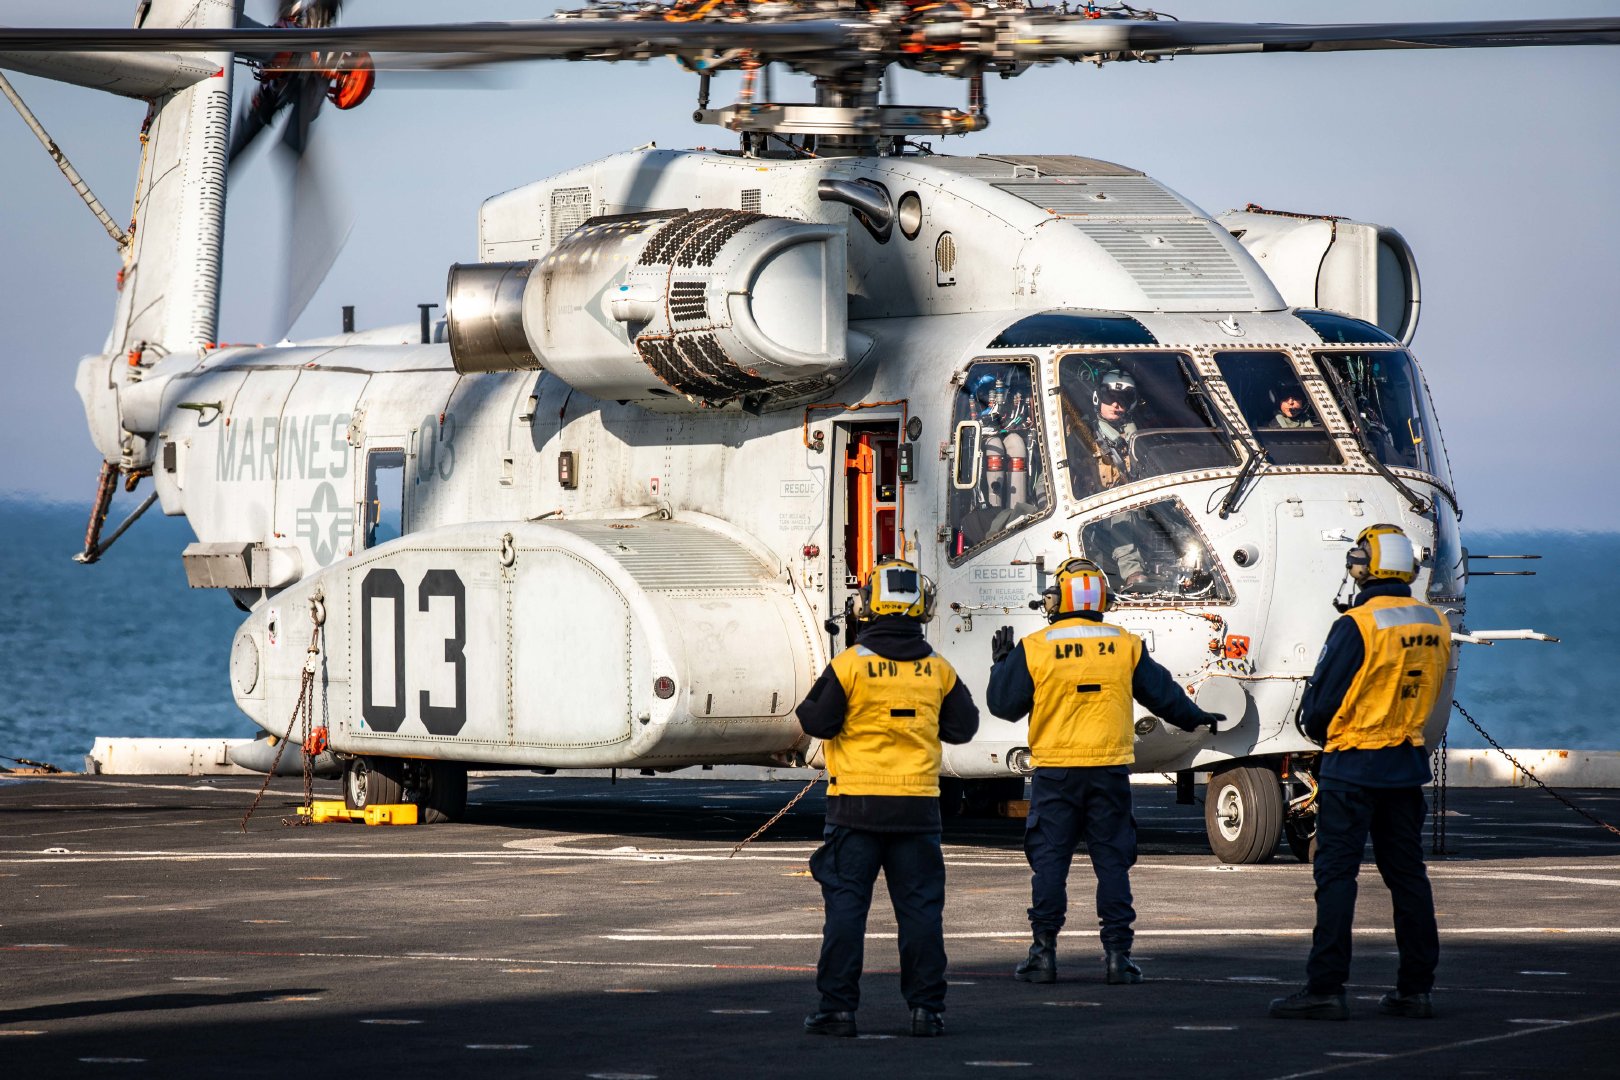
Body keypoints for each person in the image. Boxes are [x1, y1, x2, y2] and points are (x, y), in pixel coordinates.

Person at [986, 558, 1221, 985]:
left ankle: (1043, 954)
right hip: (1109, 770)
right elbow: (1163, 694)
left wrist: (1001, 663)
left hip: (1056, 772)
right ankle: (1117, 957)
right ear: (1103, 600)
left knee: (1050, 863)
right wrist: (1197, 717)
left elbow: (1003, 706)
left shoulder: (1038, 645)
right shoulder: (1124, 644)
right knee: (1112, 864)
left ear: (1058, 599)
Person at [1269, 523, 1447, 1022]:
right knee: (1408, 876)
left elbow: (1321, 701)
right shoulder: (1433, 622)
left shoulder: (1358, 623)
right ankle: (1416, 989)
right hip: (1406, 764)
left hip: (1353, 764)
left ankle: (1326, 986)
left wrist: (1317, 727)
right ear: (1409, 569)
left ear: (1363, 566)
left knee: (1336, 876)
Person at [796, 559, 980, 1038]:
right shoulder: (937, 669)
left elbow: (814, 721)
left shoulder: (850, 665)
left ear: (868, 607)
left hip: (854, 808)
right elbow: (964, 728)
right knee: (920, 914)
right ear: (921, 607)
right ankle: (926, 1010)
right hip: (917, 810)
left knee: (846, 912)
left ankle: (837, 1008)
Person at [1093, 368, 1140, 488]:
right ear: (1098, 397)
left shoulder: (1140, 436)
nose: (1115, 404)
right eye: (1109, 396)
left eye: (1123, 398)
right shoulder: (1083, 433)